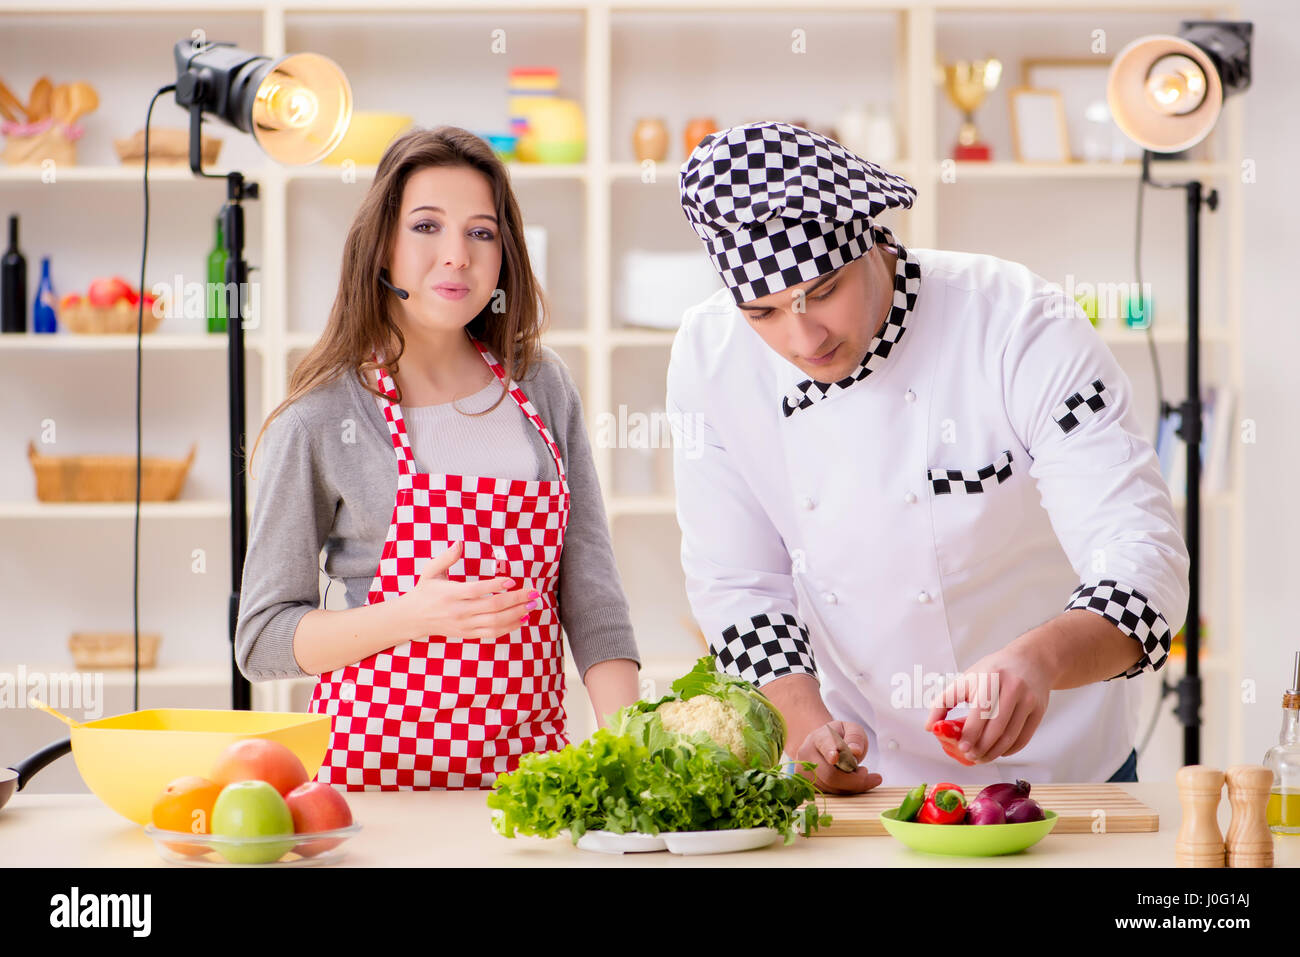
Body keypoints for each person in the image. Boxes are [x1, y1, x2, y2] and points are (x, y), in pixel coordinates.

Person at [668, 121, 1189, 792]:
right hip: (874, 779)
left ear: (872, 242)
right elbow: (738, 583)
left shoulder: (1018, 324)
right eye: (763, 313)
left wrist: (1040, 659)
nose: (802, 338)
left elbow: (1143, 554)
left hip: (1065, 774)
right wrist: (804, 727)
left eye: (822, 292)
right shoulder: (710, 356)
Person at [237, 126, 641, 790]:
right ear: (382, 249)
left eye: (481, 233)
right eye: (427, 226)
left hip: (529, 785)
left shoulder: (542, 384)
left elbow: (592, 594)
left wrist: (633, 763)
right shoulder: (323, 415)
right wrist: (409, 617)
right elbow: (261, 638)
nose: (457, 255)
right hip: (369, 789)